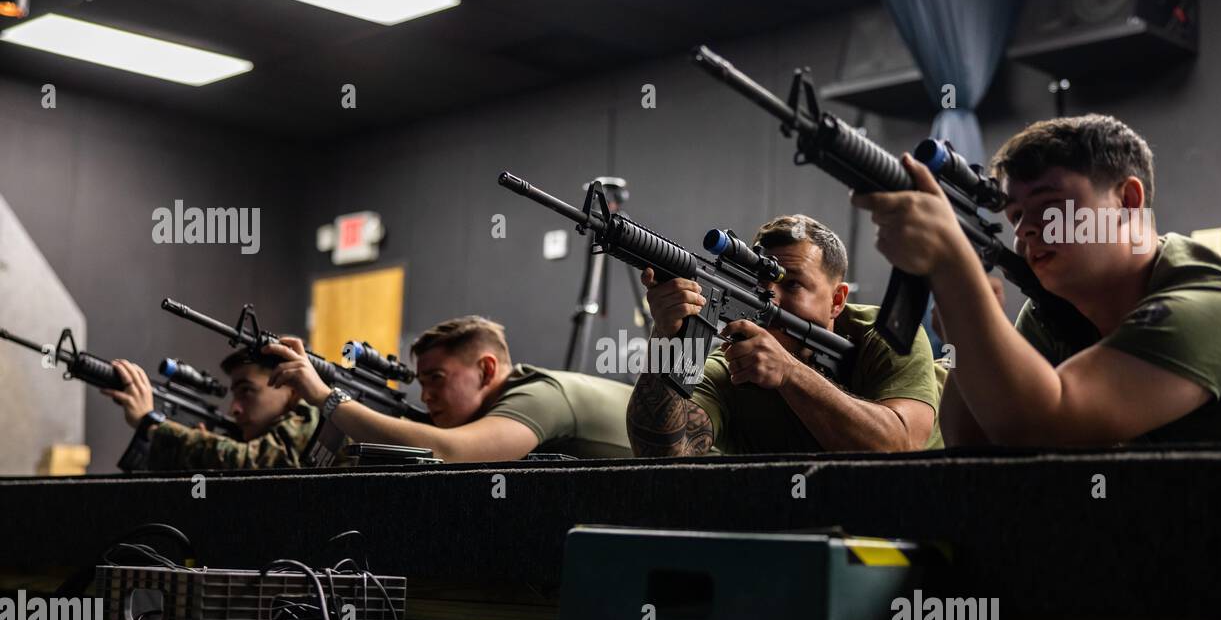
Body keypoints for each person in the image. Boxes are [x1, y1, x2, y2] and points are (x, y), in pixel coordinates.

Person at [854, 113, 1221, 446]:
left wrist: (955, 270)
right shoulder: (1053, 311)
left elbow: (1045, 425)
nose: (1026, 230)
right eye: (1015, 216)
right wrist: (961, 323)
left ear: (1127, 201)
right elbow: (975, 445)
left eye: (1050, 208)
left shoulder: (1211, 303)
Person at [625, 214, 942, 457]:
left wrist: (790, 373)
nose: (770, 298)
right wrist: (667, 337)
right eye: (760, 285)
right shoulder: (731, 367)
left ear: (837, 300)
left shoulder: (884, 333)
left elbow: (902, 448)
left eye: (792, 285)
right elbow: (662, 453)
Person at [265, 315, 634, 461]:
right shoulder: (528, 389)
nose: (425, 397)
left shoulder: (540, 396)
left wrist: (326, 398)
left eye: (437, 380)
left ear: (487, 369)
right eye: (421, 383)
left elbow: (449, 452)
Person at [103, 348, 319, 470]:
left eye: (247, 391)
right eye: (235, 394)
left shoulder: (315, 420)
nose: (234, 409)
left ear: (293, 391)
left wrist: (151, 425)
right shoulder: (255, 436)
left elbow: (249, 461)